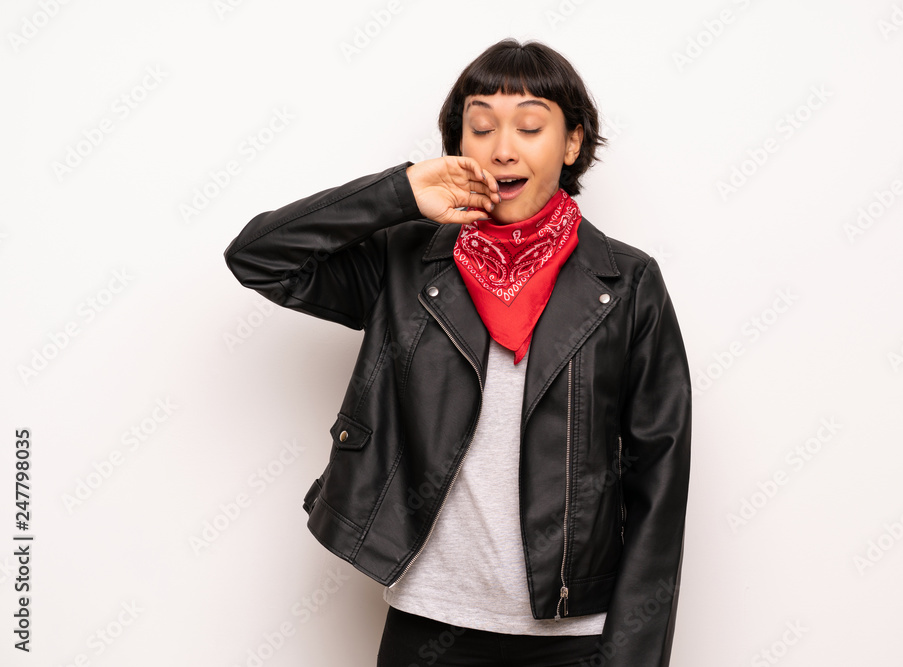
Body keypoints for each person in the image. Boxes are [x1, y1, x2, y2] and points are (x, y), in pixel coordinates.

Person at [224, 38, 691, 667]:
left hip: (572, 639)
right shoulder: (406, 265)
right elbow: (259, 257)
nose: (503, 148)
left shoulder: (627, 283)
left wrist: (634, 655)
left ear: (572, 143)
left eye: (530, 126)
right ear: (458, 144)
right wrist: (398, 193)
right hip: (429, 623)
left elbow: (659, 481)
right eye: (480, 127)